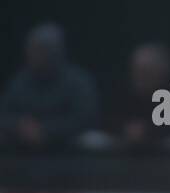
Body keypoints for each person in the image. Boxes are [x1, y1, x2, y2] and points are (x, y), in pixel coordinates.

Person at [0, 22, 98, 150]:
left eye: (40, 50)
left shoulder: (77, 81)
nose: (32, 55)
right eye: (31, 50)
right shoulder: (20, 81)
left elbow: (85, 118)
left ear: (54, 52)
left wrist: (46, 129)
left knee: (93, 140)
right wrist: (19, 125)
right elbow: (4, 113)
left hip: (68, 142)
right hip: (23, 141)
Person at [111, 43, 170, 149]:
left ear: (162, 72)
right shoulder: (122, 96)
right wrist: (124, 129)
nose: (140, 77)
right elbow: (107, 120)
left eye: (147, 71)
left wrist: (148, 131)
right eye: (136, 71)